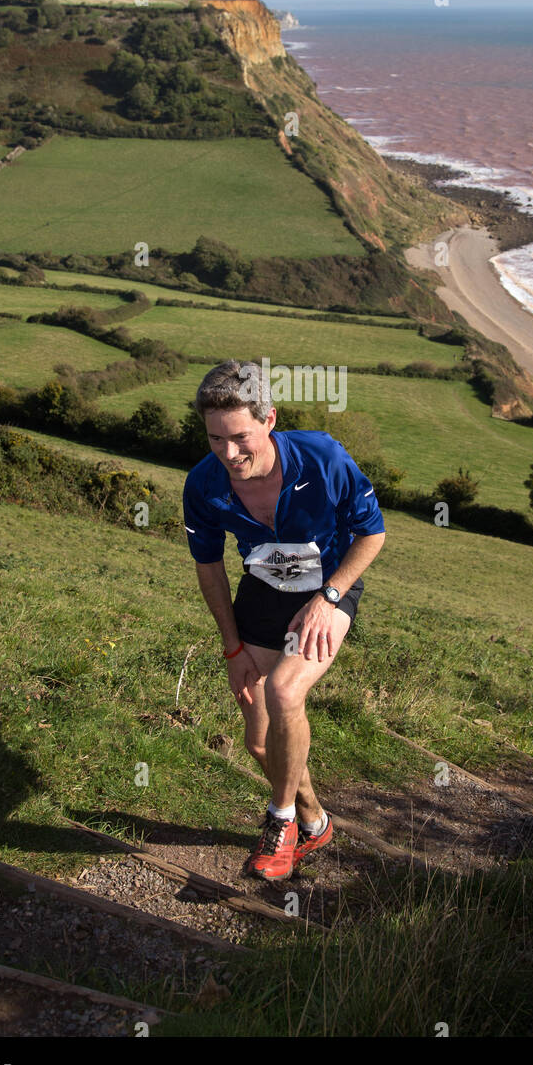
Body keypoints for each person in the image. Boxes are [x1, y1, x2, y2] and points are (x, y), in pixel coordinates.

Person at [182, 359, 386, 881]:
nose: (229, 454)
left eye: (241, 437)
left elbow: (373, 534)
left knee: (286, 692)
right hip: (264, 589)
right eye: (215, 440)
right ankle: (315, 819)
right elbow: (209, 570)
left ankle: (281, 822)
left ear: (269, 419)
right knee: (258, 739)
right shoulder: (204, 485)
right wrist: (232, 649)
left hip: (328, 586)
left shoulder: (323, 457)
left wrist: (329, 598)